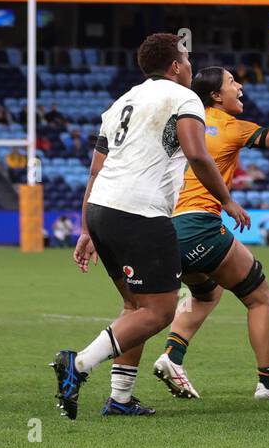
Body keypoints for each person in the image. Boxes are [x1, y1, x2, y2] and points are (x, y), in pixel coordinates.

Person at [49, 33, 252, 420]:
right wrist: (226, 199)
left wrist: (87, 228)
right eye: (187, 58)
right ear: (175, 66)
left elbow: (96, 169)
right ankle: (77, 365)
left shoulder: (121, 101)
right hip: (140, 212)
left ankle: (121, 399)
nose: (190, 64)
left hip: (102, 208)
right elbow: (197, 152)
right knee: (159, 311)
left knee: (134, 306)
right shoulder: (183, 96)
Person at [151, 64, 269, 403]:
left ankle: (172, 356)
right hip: (199, 224)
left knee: (207, 294)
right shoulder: (230, 127)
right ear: (215, 95)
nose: (239, 86)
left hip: (164, 228)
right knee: (259, 296)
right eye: (231, 82)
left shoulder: (180, 124)